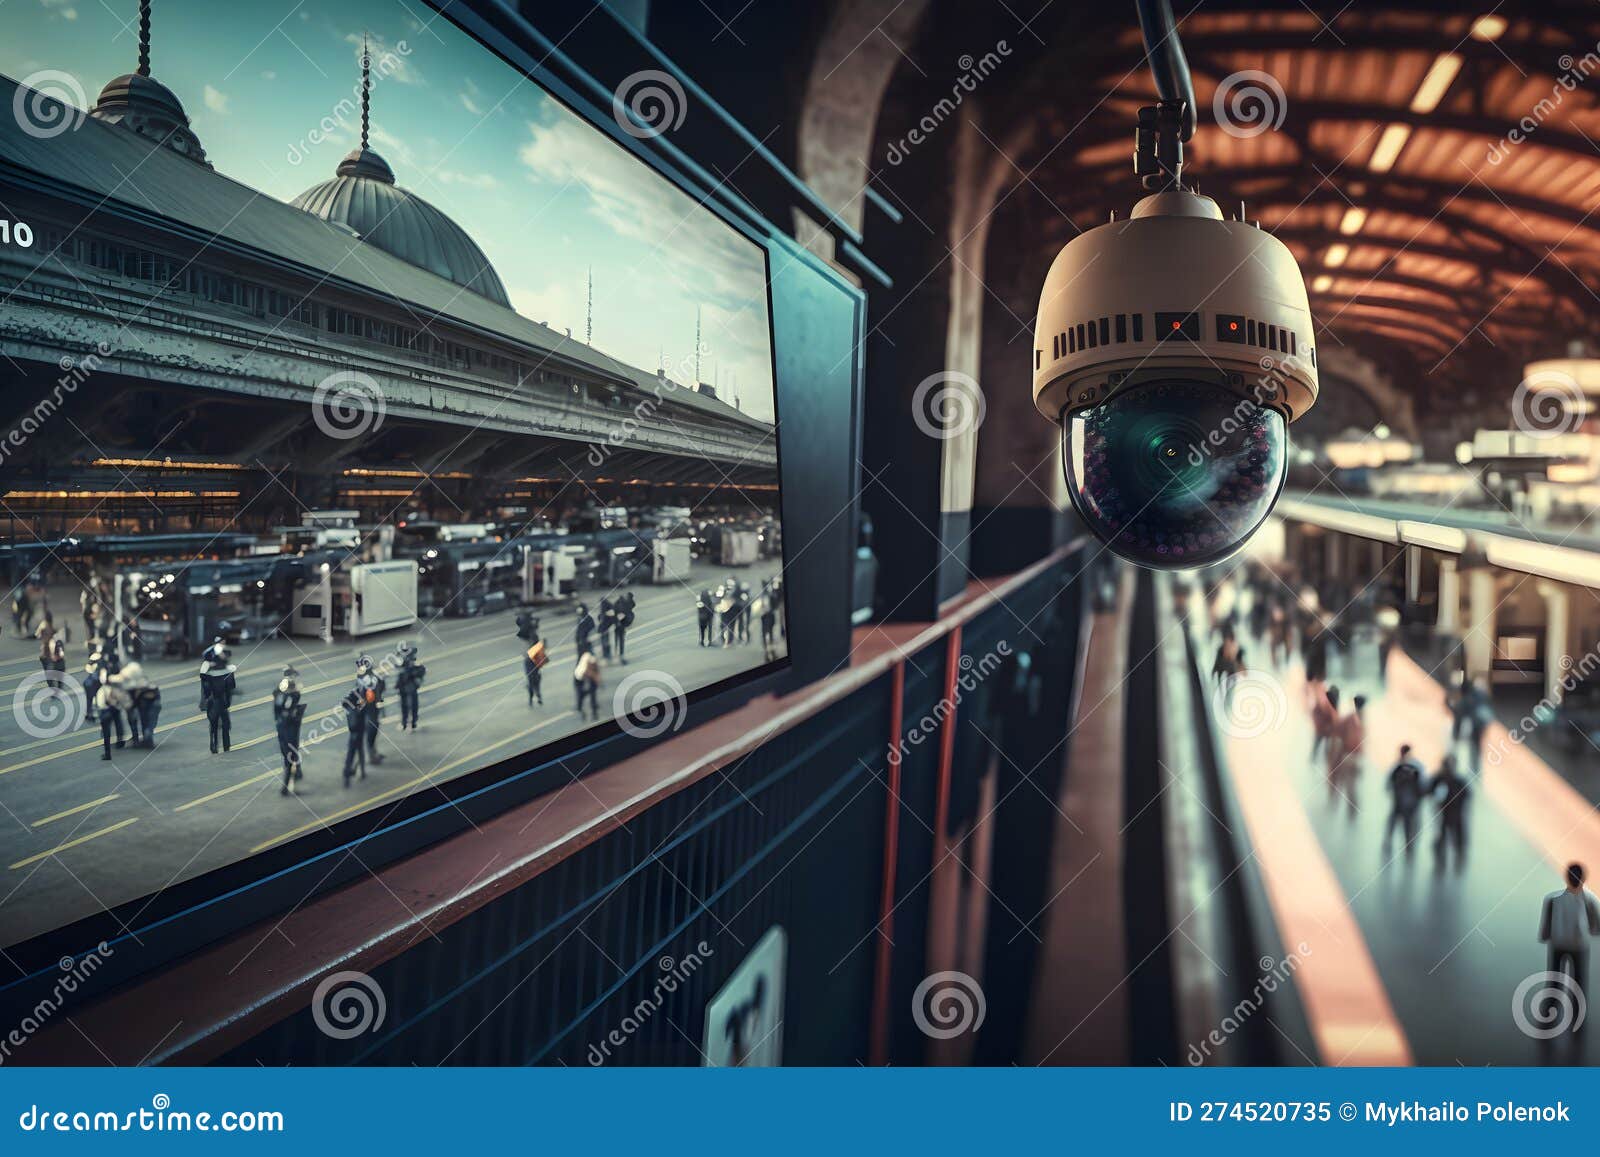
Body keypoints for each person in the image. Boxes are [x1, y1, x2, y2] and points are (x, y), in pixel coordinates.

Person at [1538, 863, 1600, 1014]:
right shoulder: (1590, 899)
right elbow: (1596, 927)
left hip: (1558, 944)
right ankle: (1577, 1010)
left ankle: (1550, 1006)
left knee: (1554, 978)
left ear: (1566, 878)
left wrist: (1545, 935)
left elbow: (1546, 926)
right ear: (1583, 879)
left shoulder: (1552, 898)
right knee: (1578, 979)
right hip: (1579, 946)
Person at [1383, 744, 1427, 859]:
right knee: (1400, 824)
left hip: (1406, 802)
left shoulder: (1402, 766)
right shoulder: (1404, 766)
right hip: (1404, 802)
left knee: (1403, 824)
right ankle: (1404, 846)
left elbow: (1388, 784)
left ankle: (1405, 846)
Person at [1429, 754, 1471, 870]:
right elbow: (1430, 791)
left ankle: (1458, 859)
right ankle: (1441, 860)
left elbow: (1466, 796)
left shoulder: (1459, 782)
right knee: (1441, 838)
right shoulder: (1438, 780)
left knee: (1457, 839)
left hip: (1455, 815)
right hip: (1443, 815)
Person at [1328, 694, 1366, 814]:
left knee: (1346, 783)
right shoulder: (1357, 719)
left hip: (1350, 756)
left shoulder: (1351, 719)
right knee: (1349, 784)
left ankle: (1346, 806)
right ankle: (1350, 808)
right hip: (1351, 756)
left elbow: (1338, 735)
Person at [273, 665, 307, 796]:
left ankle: (296, 772)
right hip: (290, 728)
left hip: (281, 727)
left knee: (288, 755)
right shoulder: (293, 692)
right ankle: (286, 786)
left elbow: (277, 707)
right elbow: (294, 698)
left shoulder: (279, 691)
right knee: (291, 756)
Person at [199, 648, 237, 754]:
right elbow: (231, 687)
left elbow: (205, 689)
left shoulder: (208, 672)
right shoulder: (227, 671)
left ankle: (214, 745)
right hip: (220, 701)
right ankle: (225, 746)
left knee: (214, 724)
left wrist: (206, 701)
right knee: (224, 724)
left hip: (214, 701)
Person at [92, 659, 129, 760]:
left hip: (105, 710)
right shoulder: (114, 683)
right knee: (118, 723)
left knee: (106, 732)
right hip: (115, 707)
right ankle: (120, 740)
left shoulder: (101, 689)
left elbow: (98, 703)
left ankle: (107, 753)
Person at [354, 655, 385, 765]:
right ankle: (371, 755)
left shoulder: (371, 679)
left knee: (373, 729)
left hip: (371, 708)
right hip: (368, 710)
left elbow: (379, 689)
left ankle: (373, 752)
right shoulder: (364, 679)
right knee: (371, 730)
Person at [123, 662, 161, 749]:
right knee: (149, 722)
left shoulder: (131, 685)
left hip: (144, 703)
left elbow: (132, 701)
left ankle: (140, 738)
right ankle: (147, 738)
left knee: (141, 720)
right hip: (153, 702)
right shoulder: (144, 680)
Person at [340, 686, 371, 787]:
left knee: (353, 752)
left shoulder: (351, 708)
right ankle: (357, 771)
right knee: (357, 751)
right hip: (357, 731)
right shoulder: (358, 709)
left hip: (354, 731)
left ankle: (352, 773)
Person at [395, 642, 425, 730]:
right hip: (402, 685)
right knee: (403, 704)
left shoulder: (412, 659)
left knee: (412, 704)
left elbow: (420, 669)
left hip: (410, 684)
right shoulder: (400, 657)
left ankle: (412, 723)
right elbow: (398, 667)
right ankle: (405, 723)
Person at [1309, 683, 1340, 761]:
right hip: (1321, 729)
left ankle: (1323, 760)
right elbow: (1315, 712)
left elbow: (1335, 716)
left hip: (1327, 729)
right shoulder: (1323, 701)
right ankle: (1313, 760)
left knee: (1327, 747)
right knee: (1317, 746)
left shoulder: (1334, 702)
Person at [574, 649, 601, 721]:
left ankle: (590, 707)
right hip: (579, 678)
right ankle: (581, 707)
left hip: (583, 677)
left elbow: (596, 670)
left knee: (591, 691)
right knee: (583, 693)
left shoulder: (588, 657)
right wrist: (596, 679)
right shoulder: (585, 667)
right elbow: (589, 674)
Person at [759, 580, 779, 662]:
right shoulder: (765, 595)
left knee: (768, 635)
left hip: (768, 616)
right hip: (766, 617)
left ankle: (770, 653)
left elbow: (775, 606)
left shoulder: (769, 595)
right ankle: (768, 653)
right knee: (767, 635)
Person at [615, 592, 635, 664]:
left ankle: (619, 656)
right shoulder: (626, 605)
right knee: (620, 642)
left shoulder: (624, 604)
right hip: (620, 626)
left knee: (619, 641)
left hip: (619, 626)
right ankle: (620, 657)